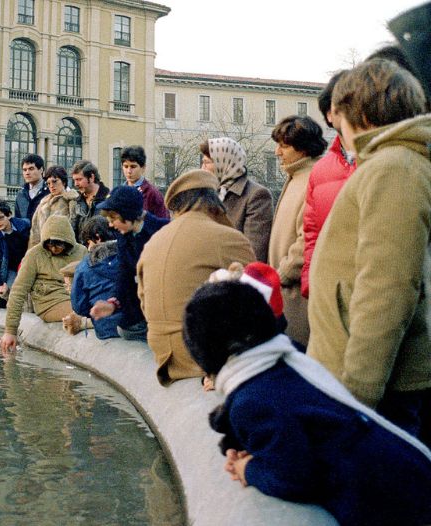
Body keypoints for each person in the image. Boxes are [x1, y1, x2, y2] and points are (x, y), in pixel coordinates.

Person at [182, 280, 431, 526]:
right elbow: (298, 427)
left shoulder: (252, 402)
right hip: (403, 472)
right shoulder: (285, 359)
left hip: (386, 500)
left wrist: (249, 468)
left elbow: (293, 479)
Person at [307, 59, 431, 442]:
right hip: (371, 384)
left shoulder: (393, 168)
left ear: (355, 112)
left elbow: (387, 288)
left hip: (375, 391)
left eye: (337, 116)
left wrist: (356, 396)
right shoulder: (392, 164)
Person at [137, 169, 255, 385]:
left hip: (163, 354)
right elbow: (257, 305)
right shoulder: (227, 238)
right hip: (199, 356)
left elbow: (144, 304)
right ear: (214, 200)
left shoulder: (153, 242)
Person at [267, 116, 327, 347]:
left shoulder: (313, 178)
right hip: (284, 293)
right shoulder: (296, 177)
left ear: (303, 148)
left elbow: (308, 239)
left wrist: (281, 275)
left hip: (295, 296)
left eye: (284, 146)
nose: (277, 152)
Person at [301, 71, 355, 298]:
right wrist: (309, 284)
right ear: (329, 114)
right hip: (330, 295)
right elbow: (312, 234)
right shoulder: (320, 171)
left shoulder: (383, 160)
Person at [90, 185, 168, 341]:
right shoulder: (124, 234)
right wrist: (113, 302)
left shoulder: (163, 231)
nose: (111, 225)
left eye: (113, 219)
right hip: (140, 305)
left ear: (128, 214)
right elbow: (124, 271)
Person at [0, 215, 87, 352]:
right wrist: (10, 330)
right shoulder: (34, 254)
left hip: (75, 295)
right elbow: (18, 291)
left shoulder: (81, 251)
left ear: (69, 241)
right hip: (48, 302)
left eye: (59, 244)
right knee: (85, 311)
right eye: (50, 244)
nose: (54, 248)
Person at [199, 138, 273, 262]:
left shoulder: (256, 196)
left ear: (224, 163)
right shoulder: (207, 193)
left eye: (207, 163)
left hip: (233, 277)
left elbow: (253, 253)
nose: (202, 169)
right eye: (202, 162)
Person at [68, 216, 121, 339]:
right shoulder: (130, 255)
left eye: (88, 242)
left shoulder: (84, 266)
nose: (87, 248)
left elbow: (79, 306)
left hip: (105, 329)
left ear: (97, 237)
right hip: (136, 326)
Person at [0, 200, 30, 310]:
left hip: (30, 266)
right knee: (15, 299)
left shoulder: (26, 226)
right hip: (11, 270)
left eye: (1, 217)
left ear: (9, 215)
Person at [28, 165, 80, 248]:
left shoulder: (72, 200)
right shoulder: (43, 203)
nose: (51, 186)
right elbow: (35, 231)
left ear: (63, 182)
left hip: (63, 249)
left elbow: (75, 229)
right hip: (42, 250)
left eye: (54, 181)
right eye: (48, 183)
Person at [120, 145, 169, 219]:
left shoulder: (152, 194)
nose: (129, 171)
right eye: (126, 166)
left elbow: (163, 222)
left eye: (133, 167)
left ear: (143, 168)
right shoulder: (119, 192)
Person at [71, 160, 111, 242]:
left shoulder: (109, 200)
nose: (76, 184)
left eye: (79, 179)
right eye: (74, 180)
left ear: (91, 177)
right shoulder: (76, 201)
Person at [14, 153, 49, 220]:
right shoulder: (20, 195)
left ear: (41, 170)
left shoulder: (50, 192)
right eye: (24, 170)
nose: (27, 173)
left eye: (31, 169)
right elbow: (18, 221)